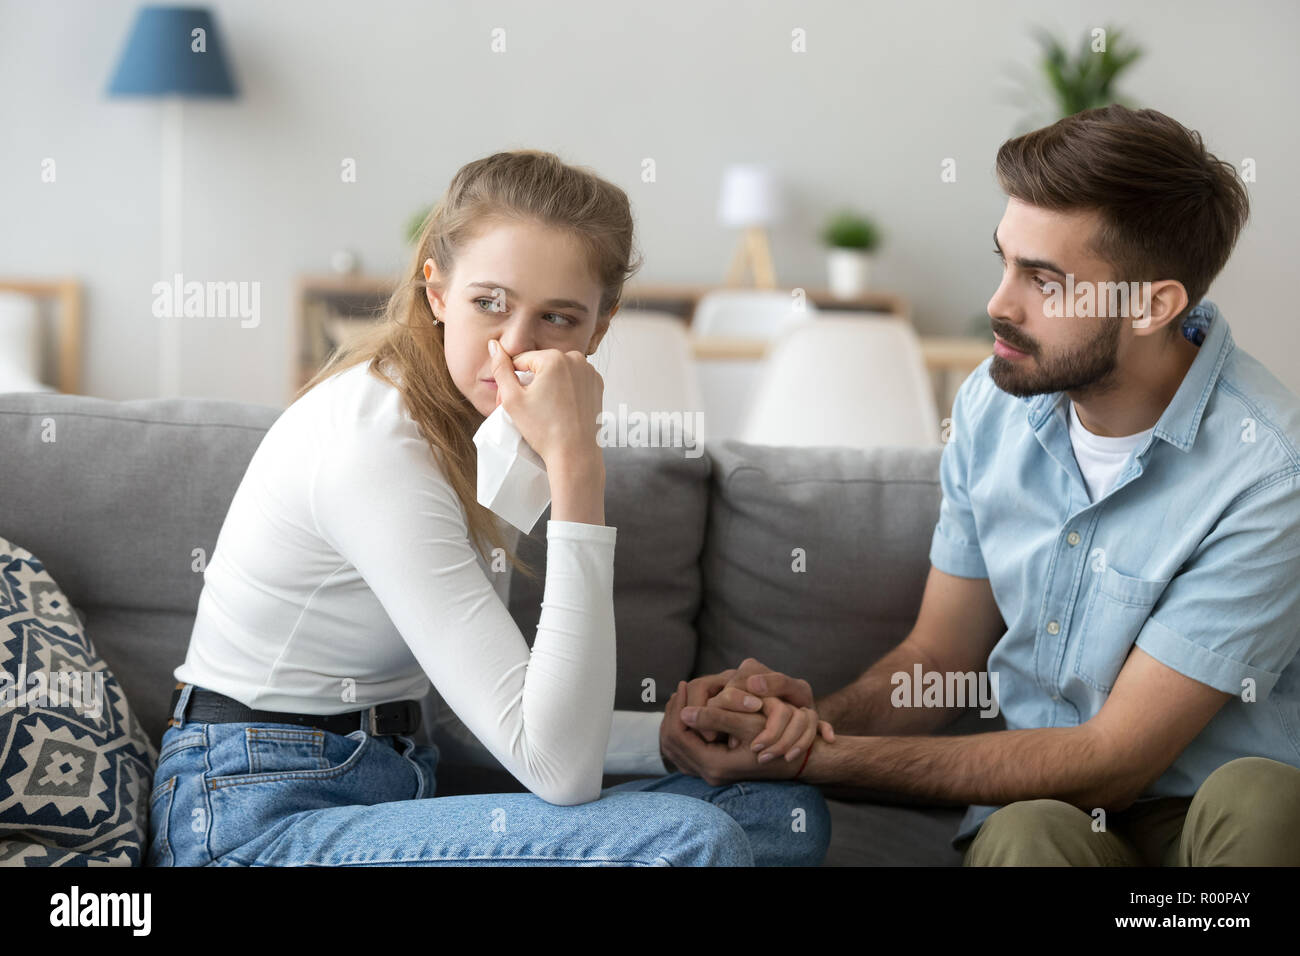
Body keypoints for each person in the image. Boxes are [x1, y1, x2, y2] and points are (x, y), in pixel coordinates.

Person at [148, 149, 830, 867]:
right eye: (490, 303)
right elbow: (556, 770)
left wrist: (666, 736)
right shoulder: (374, 447)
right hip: (249, 815)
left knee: (776, 811)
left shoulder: (493, 431)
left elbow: (485, 716)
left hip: (396, 778)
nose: (514, 345)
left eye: (559, 318)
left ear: (598, 330)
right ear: (436, 291)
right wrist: (577, 464)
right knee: (699, 840)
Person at [664, 106, 1300, 866]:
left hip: (1205, 826)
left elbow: (1115, 759)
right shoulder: (992, 404)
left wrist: (813, 762)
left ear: (1152, 305)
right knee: (1030, 834)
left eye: (1044, 280)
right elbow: (937, 655)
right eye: (1005, 261)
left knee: (1260, 797)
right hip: (1043, 818)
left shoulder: (1270, 469)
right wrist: (792, 725)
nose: (1000, 303)